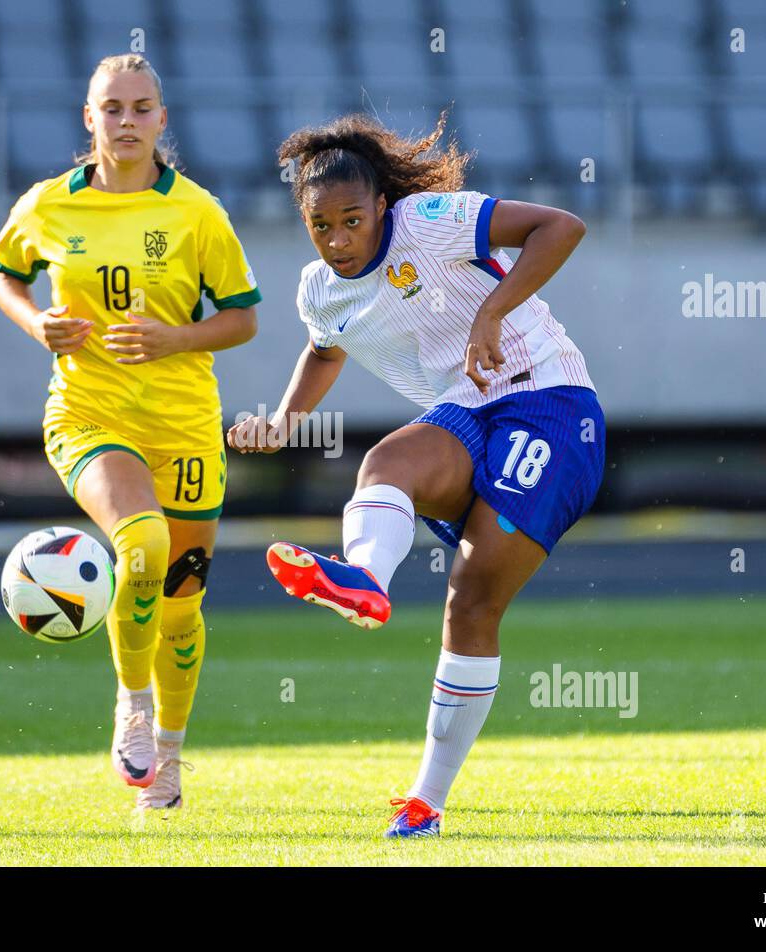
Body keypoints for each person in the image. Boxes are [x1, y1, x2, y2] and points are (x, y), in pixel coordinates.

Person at [227, 112, 602, 837]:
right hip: (466, 407)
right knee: (386, 463)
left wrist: (492, 312)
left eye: (352, 220)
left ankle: (427, 796)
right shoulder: (320, 290)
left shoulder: (432, 220)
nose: (338, 241)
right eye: (321, 225)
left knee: (471, 599)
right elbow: (325, 351)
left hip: (550, 403)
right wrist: (281, 422)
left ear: (381, 209)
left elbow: (561, 226)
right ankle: (365, 578)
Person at [0, 54, 261, 812]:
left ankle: (168, 759)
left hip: (185, 427)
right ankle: (131, 705)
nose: (128, 121)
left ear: (162, 120)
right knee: (139, 543)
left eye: (142, 107)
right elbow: (3, 272)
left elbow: (243, 318)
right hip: (88, 413)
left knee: (180, 609)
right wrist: (35, 320)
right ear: (89, 118)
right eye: (113, 108)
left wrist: (175, 339)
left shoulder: (197, 213)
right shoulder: (48, 205)